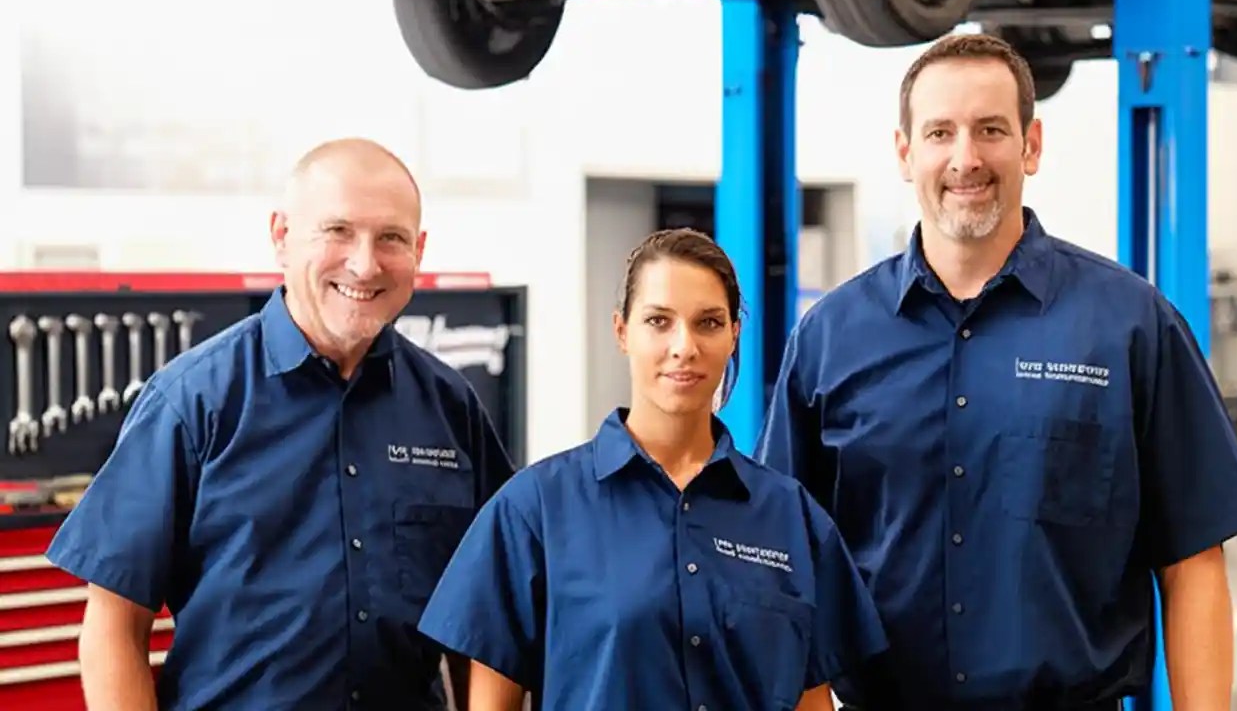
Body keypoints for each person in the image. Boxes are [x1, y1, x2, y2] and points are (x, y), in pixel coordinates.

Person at [756, 33, 1237, 711]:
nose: (965, 158)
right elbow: (792, 568)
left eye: (991, 130)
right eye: (940, 131)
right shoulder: (831, 337)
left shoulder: (1129, 326)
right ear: (905, 151)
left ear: (1031, 145)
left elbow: (1192, 566)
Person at [44, 137, 516, 710]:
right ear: (281, 237)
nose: (365, 264)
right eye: (337, 231)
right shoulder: (192, 401)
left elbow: (482, 615)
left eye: (390, 238)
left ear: (418, 249)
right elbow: (114, 626)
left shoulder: (449, 406)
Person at [416, 228, 888, 711]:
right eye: (659, 321)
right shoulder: (533, 510)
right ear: (622, 331)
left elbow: (811, 701)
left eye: (708, 322)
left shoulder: (792, 518)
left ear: (733, 336)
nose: (684, 346)